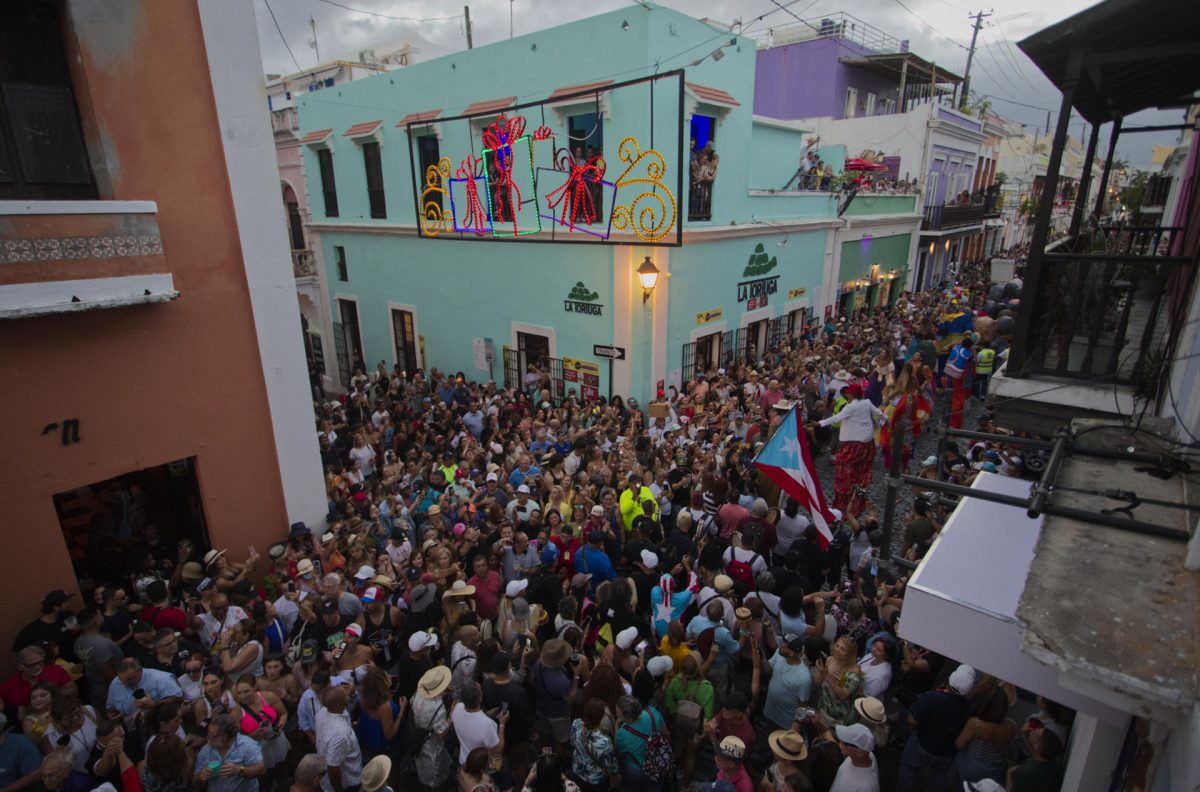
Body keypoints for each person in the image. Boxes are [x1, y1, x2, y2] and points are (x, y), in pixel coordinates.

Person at [895, 664, 975, 792]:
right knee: (938, 780)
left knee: (908, 769)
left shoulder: (933, 698)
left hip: (922, 744)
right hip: (946, 753)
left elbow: (912, 720)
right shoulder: (970, 708)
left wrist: (917, 729)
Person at [814, 383, 885, 515]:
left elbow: (837, 417)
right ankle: (857, 501)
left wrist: (819, 423)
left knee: (845, 476)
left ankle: (844, 505)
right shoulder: (867, 403)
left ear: (851, 394)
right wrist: (886, 421)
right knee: (861, 473)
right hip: (867, 445)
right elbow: (879, 413)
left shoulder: (850, 407)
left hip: (853, 446)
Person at [194, 713, 266, 792]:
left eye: (212, 735)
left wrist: (239, 770)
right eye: (207, 734)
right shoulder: (205, 751)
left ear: (225, 736)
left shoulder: (246, 745)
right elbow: (196, 781)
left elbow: (261, 770)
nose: (208, 738)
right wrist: (200, 776)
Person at [315, 685, 362, 792]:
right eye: (345, 695)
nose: (348, 694)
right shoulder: (340, 734)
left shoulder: (323, 712)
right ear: (338, 704)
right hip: (347, 783)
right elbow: (333, 767)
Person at [570, 699, 619, 792]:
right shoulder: (604, 741)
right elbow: (611, 766)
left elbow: (572, 743)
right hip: (595, 780)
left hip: (577, 770)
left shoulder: (576, 724)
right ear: (601, 717)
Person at [829, 723, 879, 792]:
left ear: (860, 752)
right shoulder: (868, 755)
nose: (840, 742)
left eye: (845, 743)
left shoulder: (866, 788)